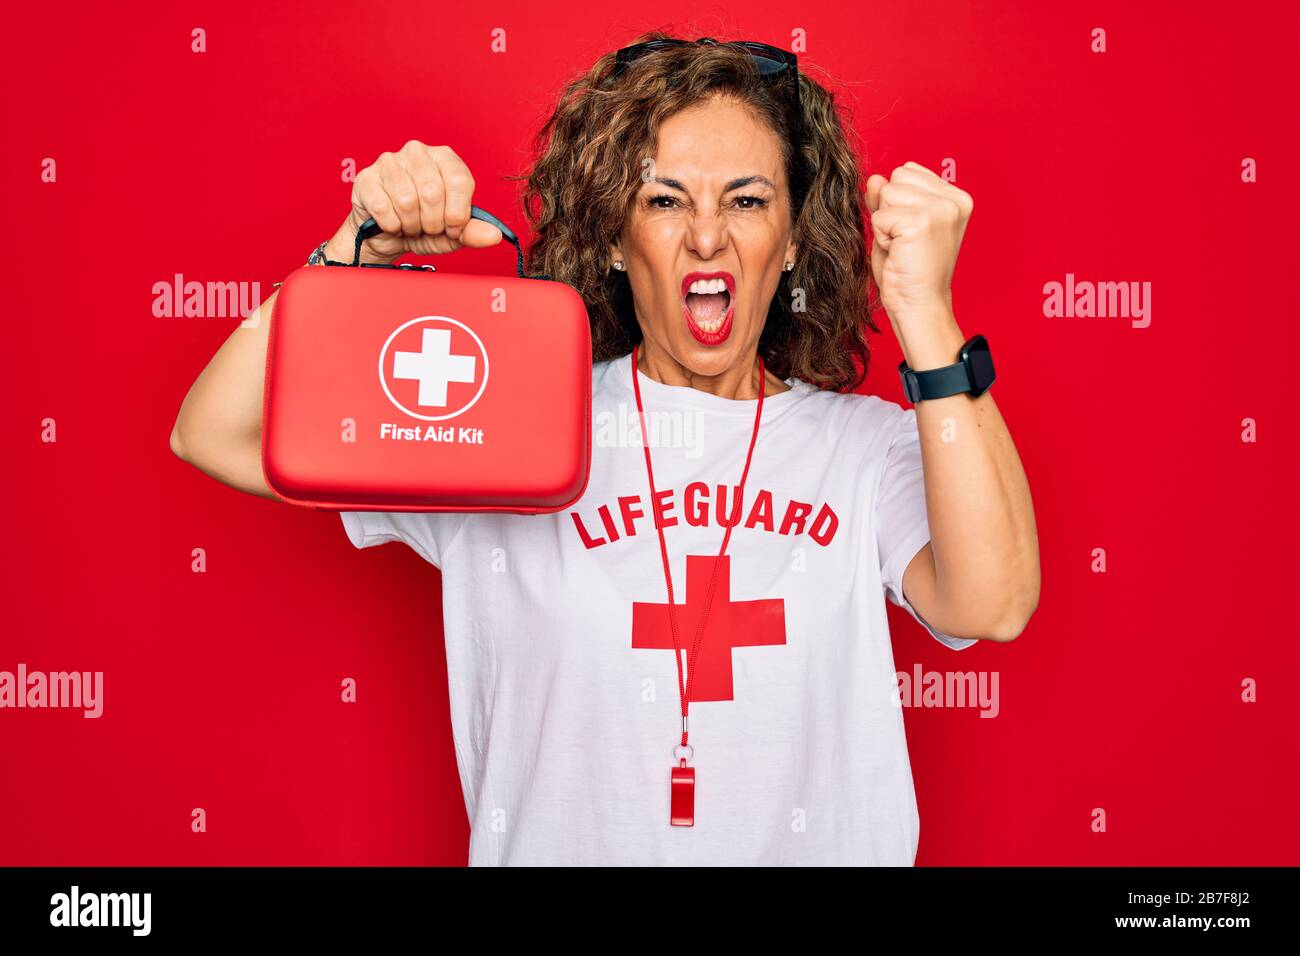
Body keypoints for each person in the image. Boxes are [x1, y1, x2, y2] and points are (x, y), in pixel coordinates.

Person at [169, 33, 1039, 865]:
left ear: (793, 242)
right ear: (617, 240)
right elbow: (215, 431)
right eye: (664, 201)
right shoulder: (509, 418)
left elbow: (992, 603)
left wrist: (925, 311)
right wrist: (346, 259)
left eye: (747, 200)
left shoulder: (864, 448)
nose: (707, 237)